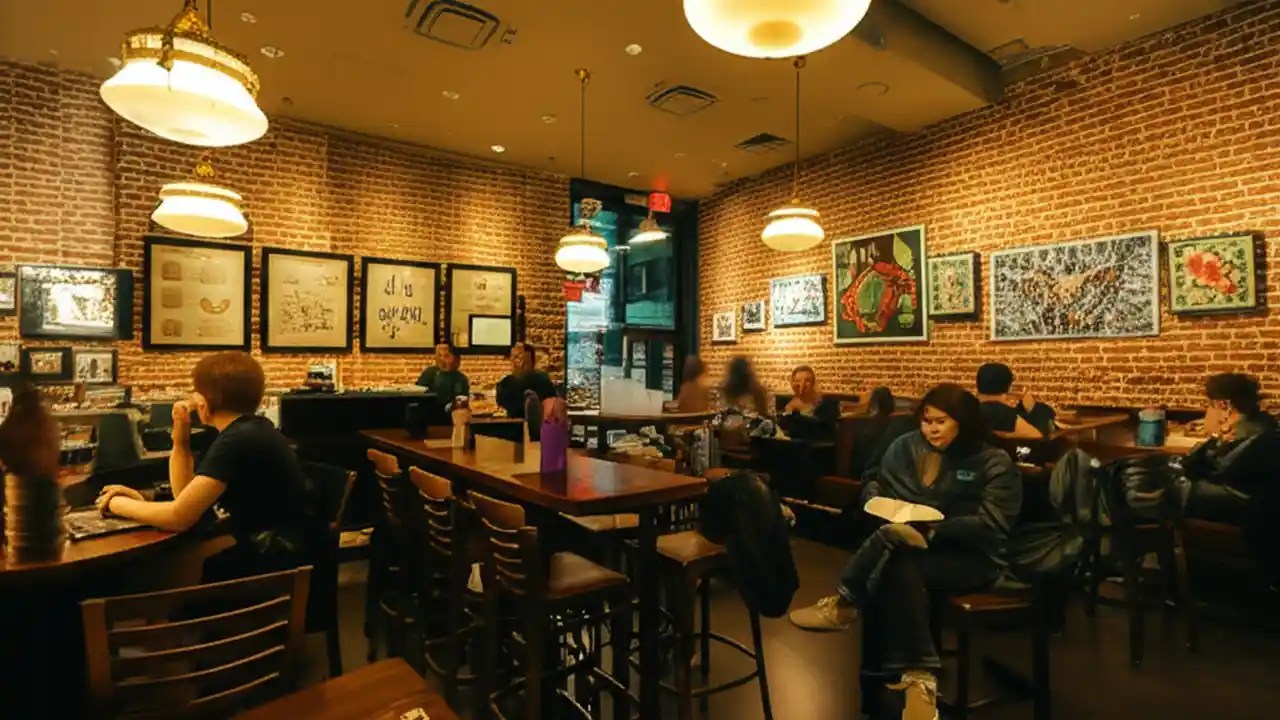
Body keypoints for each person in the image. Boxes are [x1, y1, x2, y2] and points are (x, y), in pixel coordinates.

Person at [788, 383, 1022, 720]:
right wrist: (873, 499)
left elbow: (994, 524)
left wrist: (935, 527)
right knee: (900, 558)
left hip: (972, 558)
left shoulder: (992, 460)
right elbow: (874, 481)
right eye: (927, 421)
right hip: (914, 555)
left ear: (964, 422)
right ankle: (919, 678)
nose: (931, 429)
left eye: (941, 421)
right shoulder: (906, 446)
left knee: (892, 553)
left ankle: (845, 603)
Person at [96, 352, 317, 581]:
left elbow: (179, 518)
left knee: (150, 572)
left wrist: (116, 504)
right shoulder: (249, 430)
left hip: (268, 567)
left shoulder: (238, 439)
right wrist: (180, 439)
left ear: (201, 403)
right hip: (278, 556)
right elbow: (183, 496)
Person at [1177, 374, 1280, 580]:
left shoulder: (1252, 436)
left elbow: (1223, 472)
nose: (1208, 412)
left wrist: (1211, 443)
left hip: (1244, 503)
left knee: (1156, 490)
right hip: (1251, 502)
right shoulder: (1261, 426)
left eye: (1209, 405)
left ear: (1224, 405)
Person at [975, 362, 1055, 439]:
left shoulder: (970, 408)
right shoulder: (1000, 413)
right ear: (1009, 386)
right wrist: (1031, 406)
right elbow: (1038, 434)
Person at [496, 342, 556, 419]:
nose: (512, 361)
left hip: (515, 428)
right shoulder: (544, 379)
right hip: (542, 428)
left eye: (516, 358)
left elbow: (500, 404)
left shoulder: (507, 384)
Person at [781, 365, 838, 439]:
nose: (802, 385)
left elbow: (825, 434)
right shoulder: (790, 405)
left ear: (813, 384)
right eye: (797, 381)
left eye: (807, 381)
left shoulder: (826, 405)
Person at [415, 342, 470, 407]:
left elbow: (461, 400)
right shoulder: (430, 373)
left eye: (446, 356)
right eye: (439, 355)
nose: (442, 359)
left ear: (455, 358)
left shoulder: (460, 378)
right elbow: (418, 394)